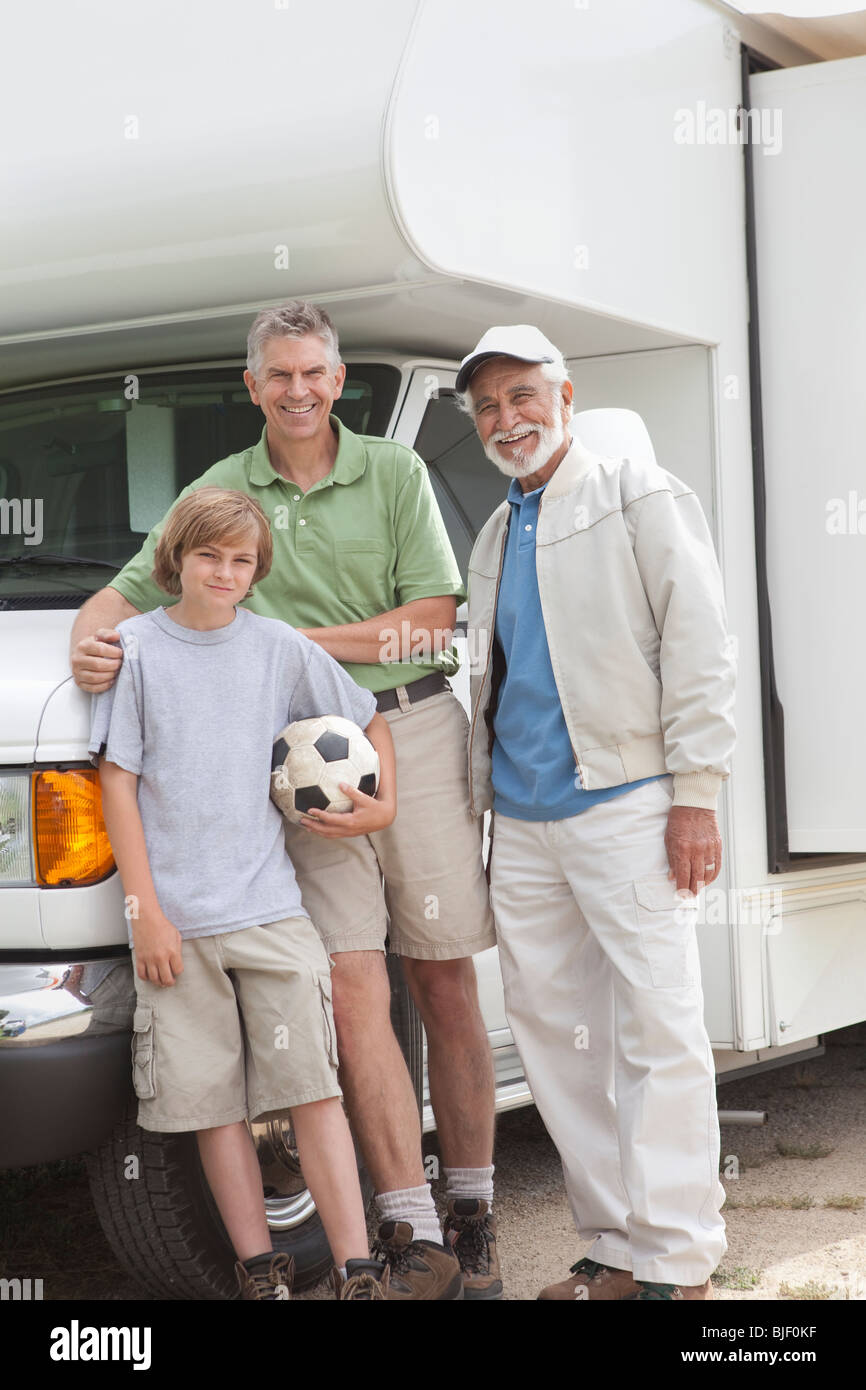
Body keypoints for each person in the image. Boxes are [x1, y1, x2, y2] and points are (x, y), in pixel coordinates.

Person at [71, 300, 499, 1301]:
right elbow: (133, 590)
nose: (297, 390)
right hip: (293, 765)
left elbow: (429, 625)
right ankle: (405, 1229)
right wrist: (91, 641)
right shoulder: (220, 488)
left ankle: (474, 1211)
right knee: (352, 990)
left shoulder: (392, 474)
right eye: (278, 375)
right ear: (253, 385)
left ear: (336, 380)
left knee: (440, 979)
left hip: (409, 729)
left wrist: (289, 646)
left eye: (314, 372)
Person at [459, 325, 736, 1301]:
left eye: (522, 395)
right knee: (554, 1038)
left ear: (564, 395)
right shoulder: (494, 532)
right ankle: (616, 1247)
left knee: (656, 1029)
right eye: (487, 406)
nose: (506, 419)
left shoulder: (634, 493)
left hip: (626, 804)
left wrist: (694, 796)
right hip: (522, 821)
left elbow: (699, 650)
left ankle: (678, 1265)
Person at [89, 487, 394, 1301]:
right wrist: (144, 912)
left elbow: (365, 718)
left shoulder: (278, 649)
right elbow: (118, 784)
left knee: (313, 1092)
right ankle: (261, 1272)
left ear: (257, 571)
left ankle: (358, 1269)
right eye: (207, 556)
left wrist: (383, 802)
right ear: (175, 560)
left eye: (241, 561)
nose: (223, 573)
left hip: (271, 915)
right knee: (213, 1106)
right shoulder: (139, 650)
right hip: (177, 931)